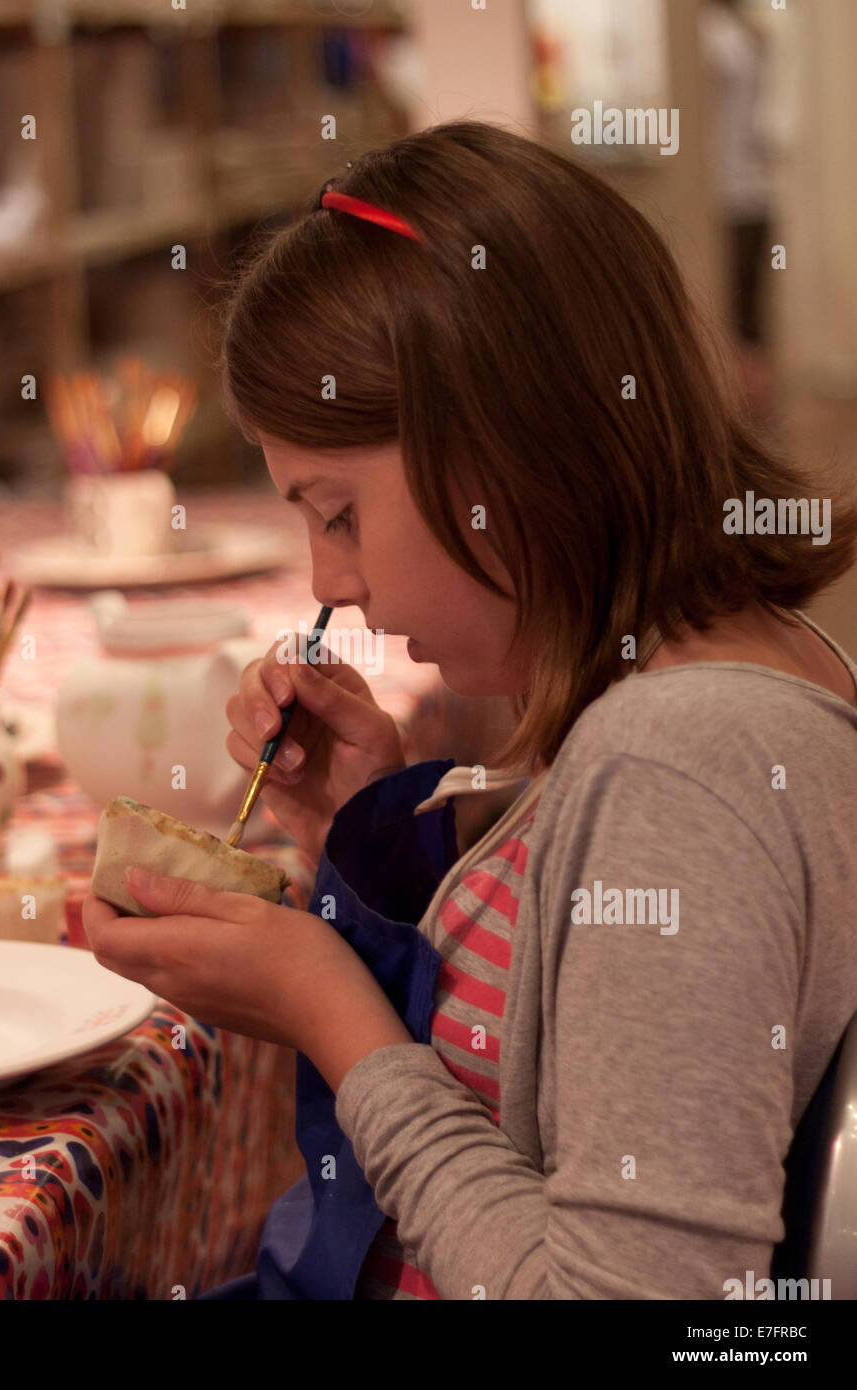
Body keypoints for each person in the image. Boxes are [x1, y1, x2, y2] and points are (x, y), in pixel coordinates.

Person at [82, 120, 857, 1299]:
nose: (327, 582)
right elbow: (565, 968)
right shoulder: (725, 673)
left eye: (337, 512)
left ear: (503, 448)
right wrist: (367, 820)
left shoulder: (678, 760)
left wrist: (335, 1021)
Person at [699, 0, 778, 420]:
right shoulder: (744, 34)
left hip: (736, 194)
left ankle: (749, 418)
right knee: (745, 318)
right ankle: (752, 417)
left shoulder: (715, 33)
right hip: (744, 192)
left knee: (740, 316)